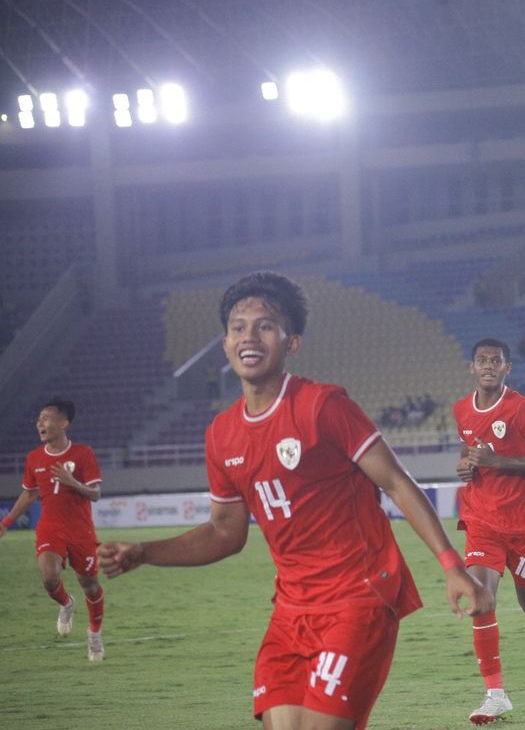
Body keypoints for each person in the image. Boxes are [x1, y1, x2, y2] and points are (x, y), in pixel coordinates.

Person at [97, 272, 491, 730]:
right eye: (238, 326)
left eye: (265, 325)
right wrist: (145, 554)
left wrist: (452, 567)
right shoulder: (221, 434)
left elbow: (397, 483)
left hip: (359, 598)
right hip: (290, 612)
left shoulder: (323, 405)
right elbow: (225, 533)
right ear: (225, 345)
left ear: (292, 343)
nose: (249, 335)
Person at [453, 338, 525, 724]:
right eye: (481, 360)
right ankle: (495, 695)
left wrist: (497, 460)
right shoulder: (460, 410)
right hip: (482, 521)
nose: (488, 366)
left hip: (524, 525)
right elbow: (469, 452)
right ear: (472, 367)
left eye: (495, 361)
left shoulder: (523, 410)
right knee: (481, 598)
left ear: (507, 368)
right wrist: (467, 467)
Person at [0, 397, 106, 662]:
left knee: (90, 586)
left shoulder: (83, 454)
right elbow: (29, 495)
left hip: (81, 530)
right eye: (39, 419)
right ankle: (66, 603)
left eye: (46, 417)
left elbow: (95, 494)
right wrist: (5, 523)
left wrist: (72, 482)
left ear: (64, 422)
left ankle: (94, 634)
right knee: (49, 577)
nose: (40, 423)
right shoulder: (34, 458)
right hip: (50, 527)